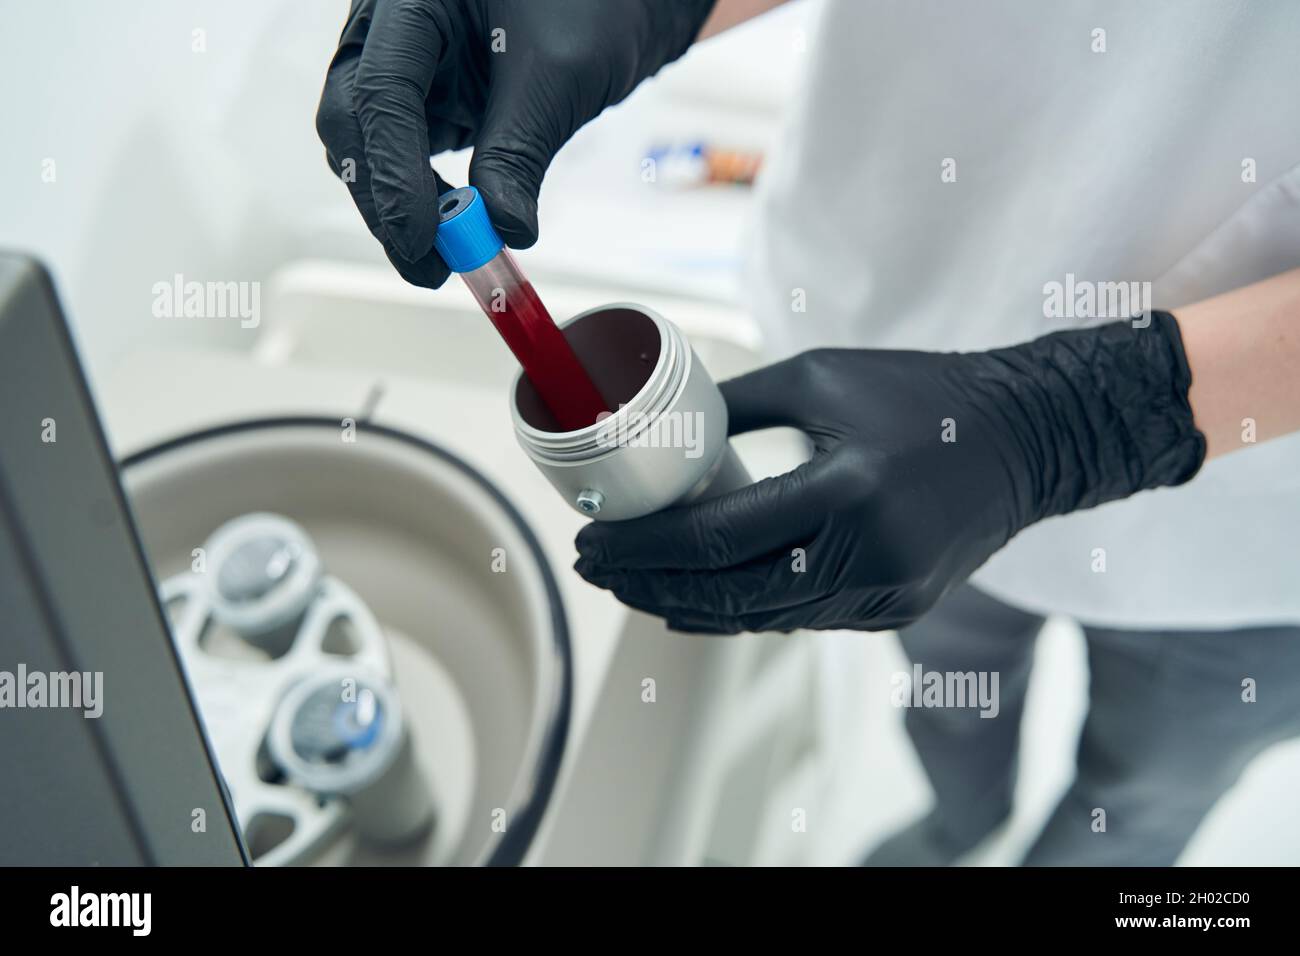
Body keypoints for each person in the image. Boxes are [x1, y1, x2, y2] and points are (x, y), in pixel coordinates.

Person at [317, 0, 1300, 864]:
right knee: (950, 699)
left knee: (1145, 788)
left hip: (1245, 529)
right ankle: (958, 826)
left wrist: (1089, 418)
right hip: (907, 371)